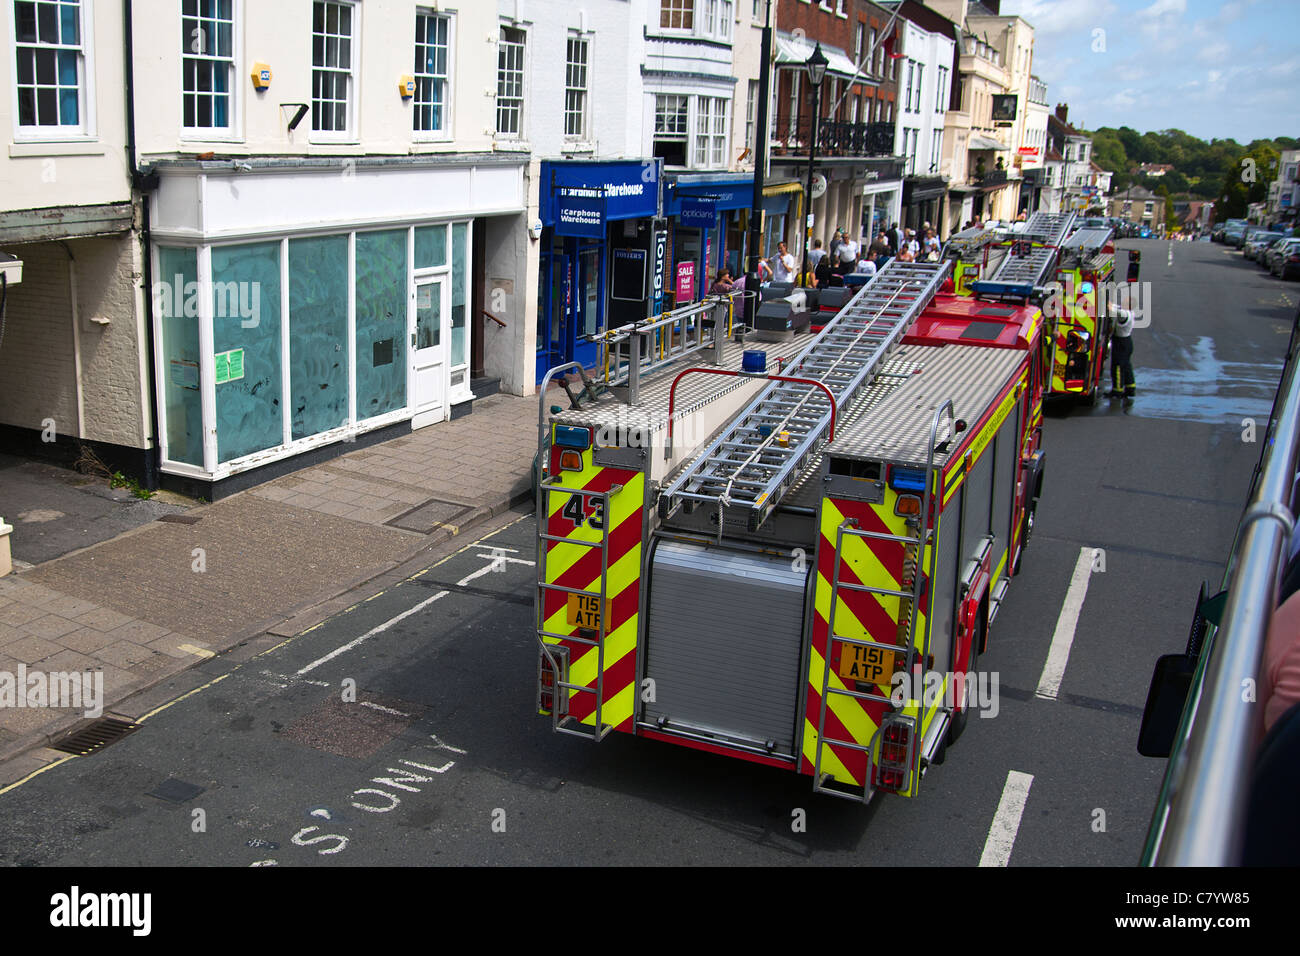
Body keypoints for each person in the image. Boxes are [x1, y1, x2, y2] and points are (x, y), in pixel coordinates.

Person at [1109, 305, 1137, 403]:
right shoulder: (1130, 312)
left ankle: (1117, 391)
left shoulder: (1125, 314)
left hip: (1121, 343)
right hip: (1127, 342)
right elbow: (1116, 307)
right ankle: (1130, 388)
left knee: (1117, 366)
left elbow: (1113, 309)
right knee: (1126, 365)